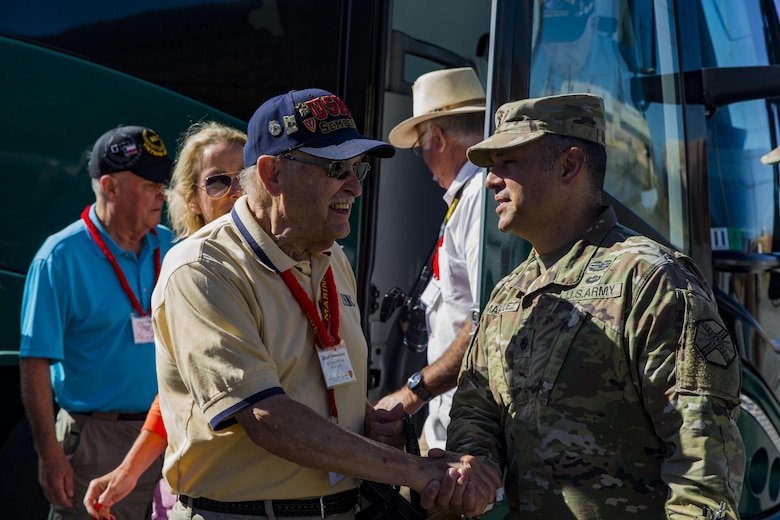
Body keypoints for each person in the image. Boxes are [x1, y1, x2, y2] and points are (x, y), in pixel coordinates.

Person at [151, 88, 502, 520]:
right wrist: (416, 470)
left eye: (358, 168)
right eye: (336, 168)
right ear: (272, 175)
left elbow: (314, 388)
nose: (354, 186)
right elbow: (268, 418)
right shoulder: (203, 268)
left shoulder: (331, 256)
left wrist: (369, 422)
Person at [435, 93, 746, 518]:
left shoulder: (650, 280)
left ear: (569, 166)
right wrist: (475, 467)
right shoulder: (508, 294)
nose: (491, 180)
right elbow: (476, 412)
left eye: (508, 162)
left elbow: (702, 460)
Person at [83, 121, 247, 520]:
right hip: (210, 492)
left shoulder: (293, 261)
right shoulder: (192, 270)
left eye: (246, 177)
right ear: (192, 200)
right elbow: (176, 392)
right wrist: (127, 472)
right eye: (218, 182)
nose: (237, 192)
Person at [19, 125, 176, 519]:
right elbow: (35, 361)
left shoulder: (171, 245)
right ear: (110, 187)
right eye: (150, 185)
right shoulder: (59, 257)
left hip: (170, 434)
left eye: (163, 184)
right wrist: (49, 454)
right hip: (98, 443)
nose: (162, 193)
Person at [377, 67, 485, 456]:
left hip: (467, 438)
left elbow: (484, 321)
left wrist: (413, 393)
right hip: (452, 426)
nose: (421, 158)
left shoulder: (478, 196)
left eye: (420, 146)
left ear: (437, 138)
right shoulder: (471, 194)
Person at [531, 0, 660, 227]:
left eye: (570, 45)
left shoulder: (622, 63)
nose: (559, 58)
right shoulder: (533, 62)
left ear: (593, 26)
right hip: (549, 198)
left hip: (613, 204)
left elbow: (645, 145)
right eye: (552, 46)